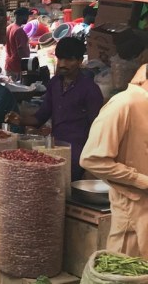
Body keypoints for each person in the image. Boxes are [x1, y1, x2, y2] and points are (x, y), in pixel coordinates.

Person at [4, 38, 102, 180]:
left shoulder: (90, 89)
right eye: (60, 59)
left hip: (79, 154)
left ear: (80, 61)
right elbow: (41, 117)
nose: (62, 64)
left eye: (69, 60)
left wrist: (92, 162)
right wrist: (20, 120)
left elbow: (97, 129)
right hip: (55, 148)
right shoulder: (54, 84)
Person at [80, 63, 148, 259]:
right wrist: (141, 181)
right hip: (132, 214)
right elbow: (92, 159)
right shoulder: (123, 104)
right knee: (125, 271)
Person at [5, 7, 31, 79]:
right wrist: (27, 65)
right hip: (17, 66)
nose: (27, 18)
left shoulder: (8, 27)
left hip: (9, 65)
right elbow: (21, 51)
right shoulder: (19, 30)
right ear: (20, 16)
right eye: (26, 16)